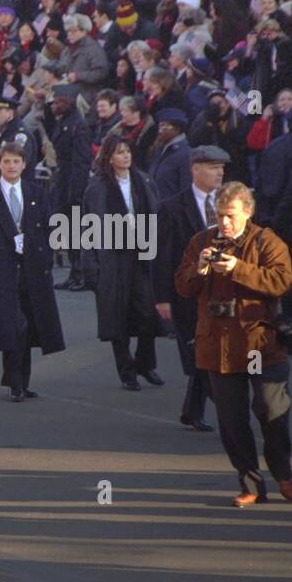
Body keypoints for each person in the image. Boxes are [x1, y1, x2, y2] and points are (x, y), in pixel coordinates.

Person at [175, 182, 292, 507]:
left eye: (230, 216)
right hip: (219, 347)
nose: (224, 223)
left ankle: (283, 470)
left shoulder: (267, 241)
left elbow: (281, 281)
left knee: (272, 410)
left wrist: (238, 269)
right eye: (219, 215)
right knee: (231, 420)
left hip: (261, 343)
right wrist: (200, 269)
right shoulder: (201, 241)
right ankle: (250, 483)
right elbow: (183, 287)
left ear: (247, 213)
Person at [0, 142, 66, 401]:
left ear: (24, 164)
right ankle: (15, 382)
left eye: (16, 161)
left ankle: (22, 380)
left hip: (32, 269)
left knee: (29, 326)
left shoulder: (36, 192)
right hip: (1, 270)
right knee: (13, 326)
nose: (11, 166)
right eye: (6, 161)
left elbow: (46, 228)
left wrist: (47, 260)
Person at [82, 133, 164, 391]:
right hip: (112, 257)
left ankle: (144, 362)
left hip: (140, 253)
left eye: (127, 151)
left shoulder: (143, 180)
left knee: (149, 311)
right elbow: (89, 227)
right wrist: (90, 264)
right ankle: (126, 370)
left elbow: (157, 212)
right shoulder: (98, 186)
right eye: (119, 152)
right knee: (116, 315)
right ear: (109, 156)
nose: (125, 156)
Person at [156, 145, 229, 432]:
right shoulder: (172, 207)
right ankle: (228, 410)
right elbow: (161, 255)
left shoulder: (229, 203)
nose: (219, 172)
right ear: (194, 169)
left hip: (223, 291)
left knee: (208, 350)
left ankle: (192, 410)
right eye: (212, 167)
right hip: (188, 293)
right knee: (200, 351)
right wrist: (162, 296)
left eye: (222, 167)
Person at [49, 84, 94, 290]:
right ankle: (74, 273)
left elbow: (81, 161)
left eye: (59, 102)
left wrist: (76, 191)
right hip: (62, 180)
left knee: (77, 230)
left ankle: (82, 273)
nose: (54, 105)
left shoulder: (78, 125)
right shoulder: (64, 122)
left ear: (68, 102)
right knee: (67, 230)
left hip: (72, 182)